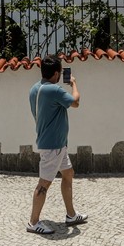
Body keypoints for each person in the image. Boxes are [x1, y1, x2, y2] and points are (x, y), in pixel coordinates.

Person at [26, 55, 87, 234]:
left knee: (68, 173)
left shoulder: (35, 89)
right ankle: (33, 222)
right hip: (53, 146)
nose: (61, 75)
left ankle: (71, 215)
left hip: (54, 143)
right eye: (60, 72)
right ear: (55, 73)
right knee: (43, 184)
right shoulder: (54, 90)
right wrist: (74, 83)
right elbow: (75, 102)